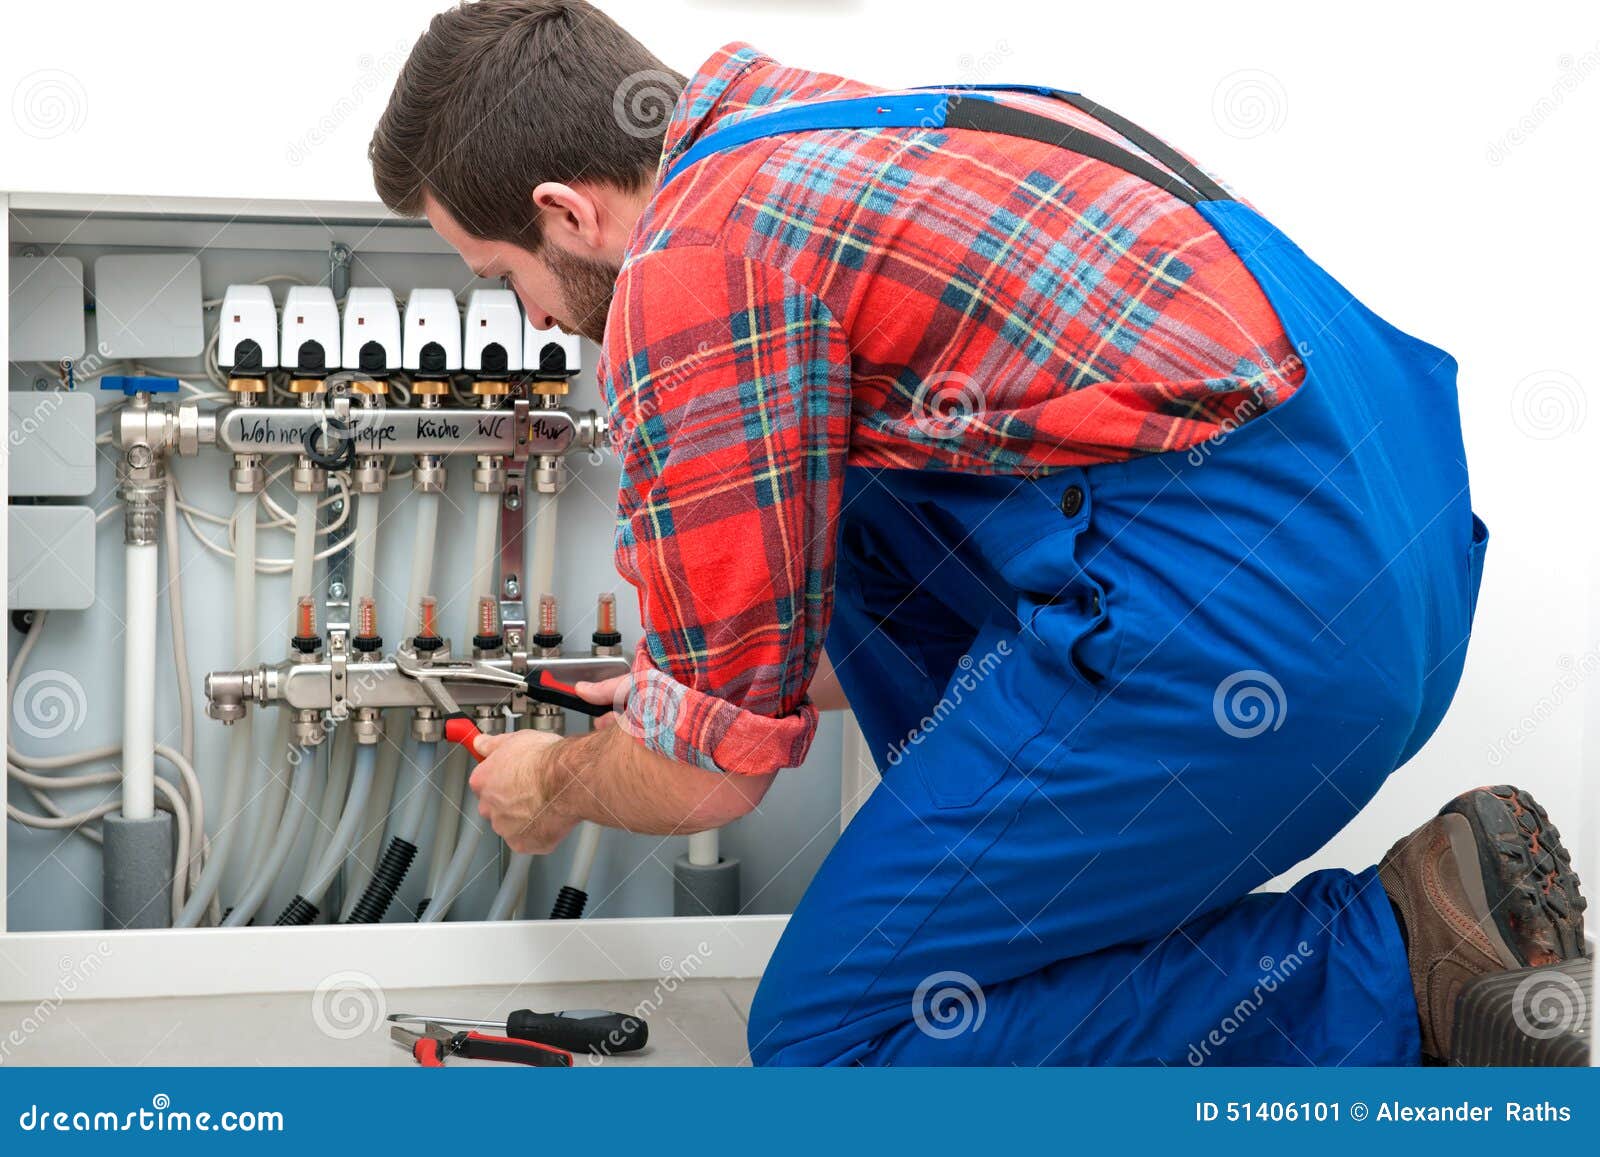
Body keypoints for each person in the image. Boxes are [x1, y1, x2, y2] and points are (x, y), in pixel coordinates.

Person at [368, 0, 1586, 1064]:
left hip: (1248, 615)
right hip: (1389, 574)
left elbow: (707, 780)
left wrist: (558, 781)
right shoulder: (891, 125)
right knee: (845, 495)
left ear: (563, 211)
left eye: (497, 276)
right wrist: (681, 688)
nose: (527, 321)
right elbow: (910, 568)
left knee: (836, 1039)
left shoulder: (693, 269)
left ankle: (1398, 947)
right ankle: (1100, 980)